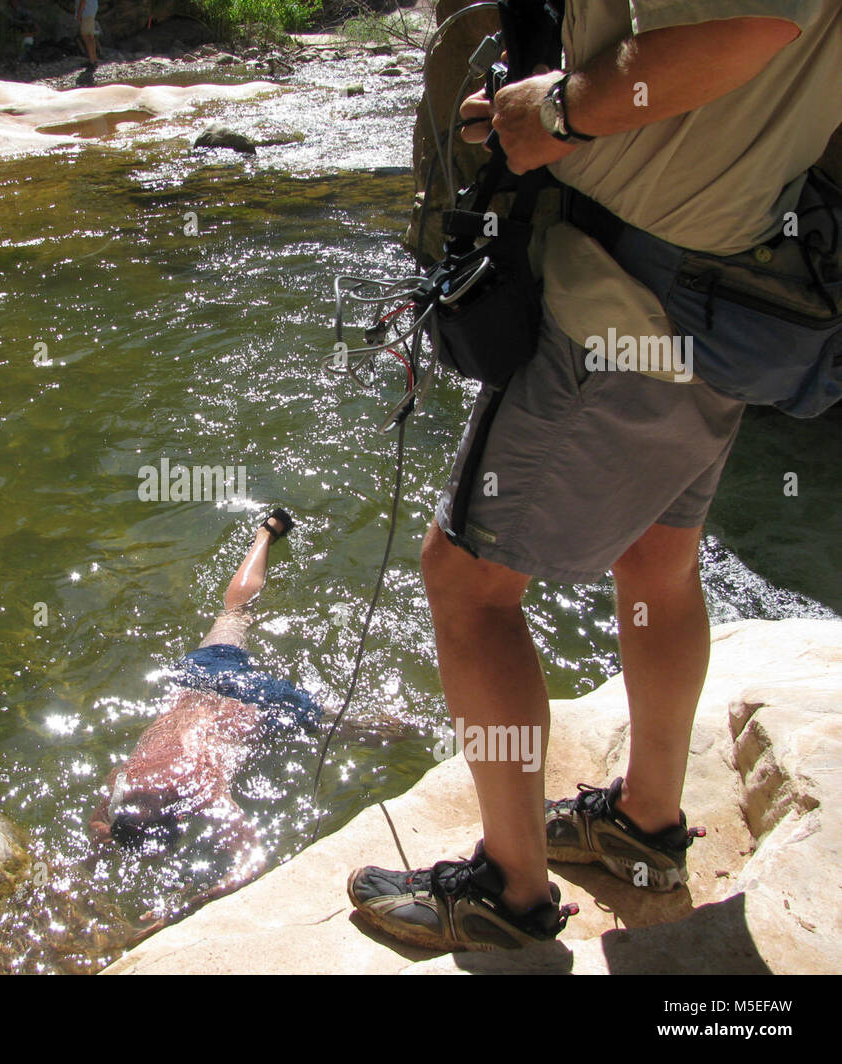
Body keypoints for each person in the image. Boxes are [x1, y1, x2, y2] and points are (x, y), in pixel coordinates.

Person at [347, 3, 842, 951]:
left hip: (626, 292)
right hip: (736, 285)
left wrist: (560, 115)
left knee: (469, 584)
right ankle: (644, 829)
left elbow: (747, 28)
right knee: (659, 557)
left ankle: (510, 890)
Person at [90, 509, 322, 895]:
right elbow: (100, 822)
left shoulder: (201, 793)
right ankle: (265, 535)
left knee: (344, 729)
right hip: (201, 678)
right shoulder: (124, 781)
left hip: (257, 702)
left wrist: (196, 900)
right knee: (235, 612)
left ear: (182, 815)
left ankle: (410, 730)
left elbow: (253, 859)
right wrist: (104, 832)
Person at [76, 0, 100, 71]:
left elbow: (83, 1)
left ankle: (92, 61)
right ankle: (94, 59)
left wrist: (79, 14)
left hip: (86, 13)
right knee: (90, 36)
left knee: (86, 36)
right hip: (91, 12)